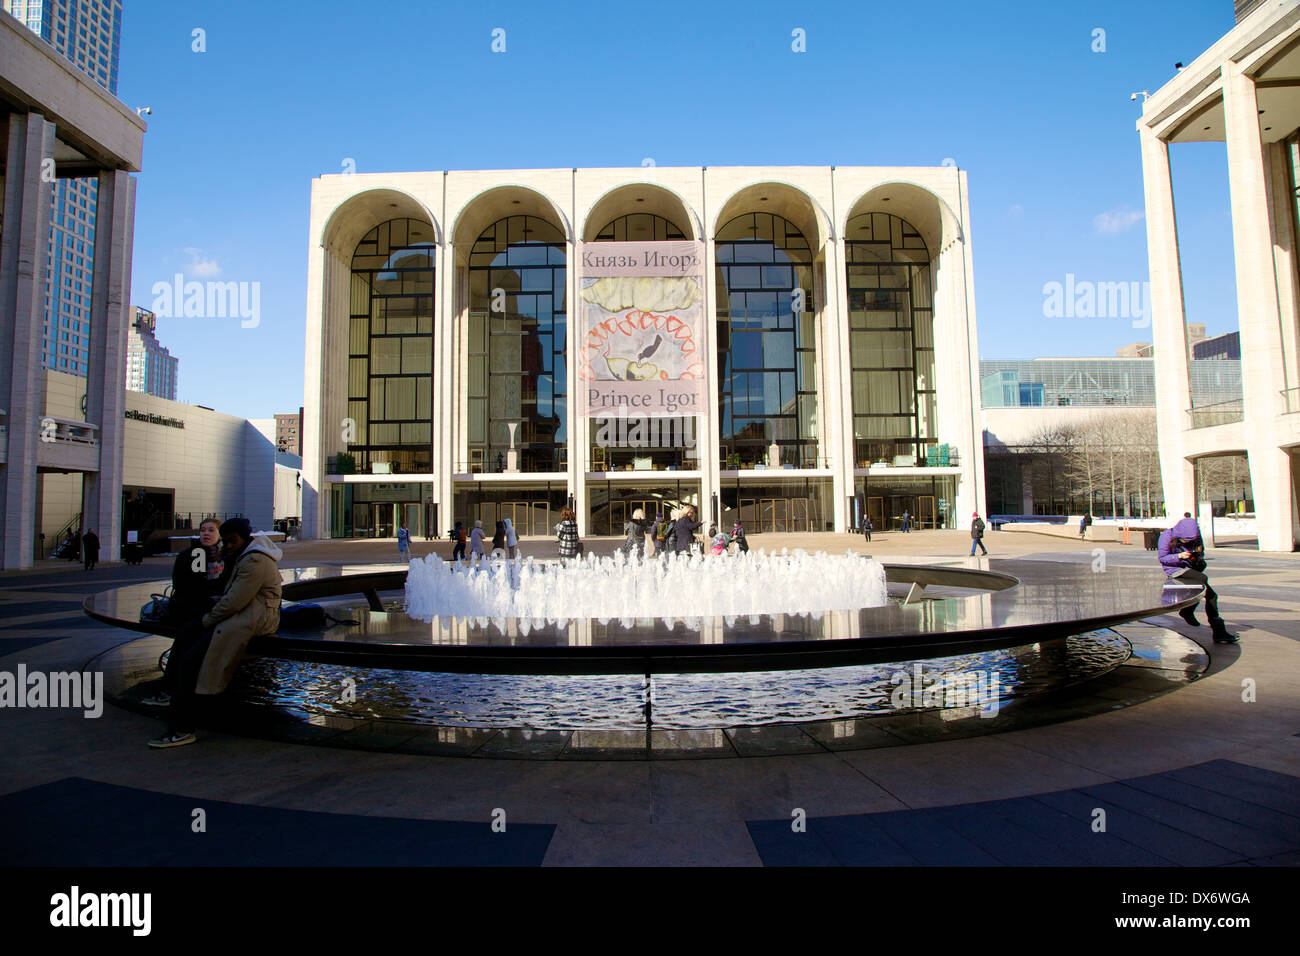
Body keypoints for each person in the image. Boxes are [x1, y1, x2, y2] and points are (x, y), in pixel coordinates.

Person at [148, 518, 283, 748]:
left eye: (232, 541)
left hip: (248, 620)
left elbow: (234, 600)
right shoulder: (238, 556)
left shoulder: (254, 560)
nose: (228, 545)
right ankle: (172, 696)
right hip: (242, 617)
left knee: (192, 661)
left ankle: (182, 725)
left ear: (244, 538)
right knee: (187, 643)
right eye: (226, 541)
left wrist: (208, 619)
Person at [142, 518, 229, 708]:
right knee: (185, 649)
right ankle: (171, 690)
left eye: (211, 530)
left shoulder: (221, 555)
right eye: (203, 530)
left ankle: (177, 690)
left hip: (205, 611)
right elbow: (196, 586)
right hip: (192, 612)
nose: (206, 534)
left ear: (219, 534)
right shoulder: (196, 554)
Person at [1159, 513, 1236, 644]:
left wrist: (1196, 557)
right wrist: (1179, 556)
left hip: (1192, 569)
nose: (1188, 542)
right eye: (1185, 540)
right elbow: (1162, 558)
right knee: (1203, 580)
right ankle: (1216, 630)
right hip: (1176, 570)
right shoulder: (1166, 536)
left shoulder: (1197, 537)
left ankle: (1215, 629)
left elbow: (1201, 552)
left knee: (1211, 596)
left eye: (1191, 540)